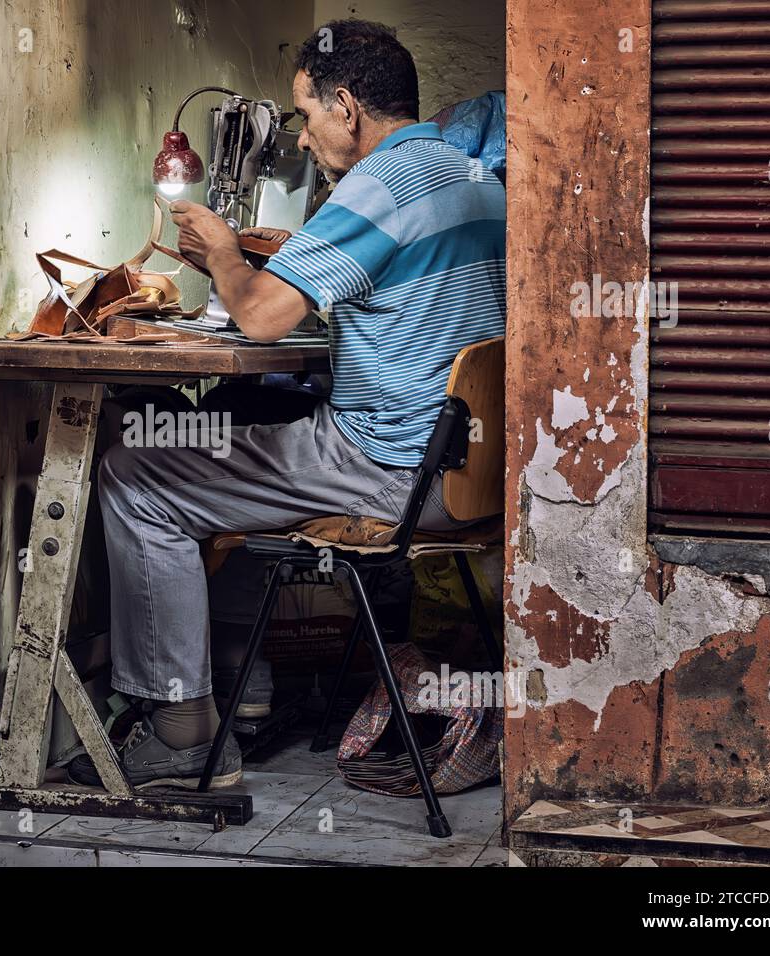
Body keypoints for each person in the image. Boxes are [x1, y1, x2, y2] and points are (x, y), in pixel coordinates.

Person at [68, 18, 506, 789]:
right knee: (242, 433)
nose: (303, 139)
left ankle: (180, 732)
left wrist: (226, 257)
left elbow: (265, 317)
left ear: (346, 106)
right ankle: (248, 686)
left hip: (388, 467)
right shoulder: (467, 172)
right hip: (470, 471)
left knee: (136, 474)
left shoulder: (381, 182)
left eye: (306, 116)